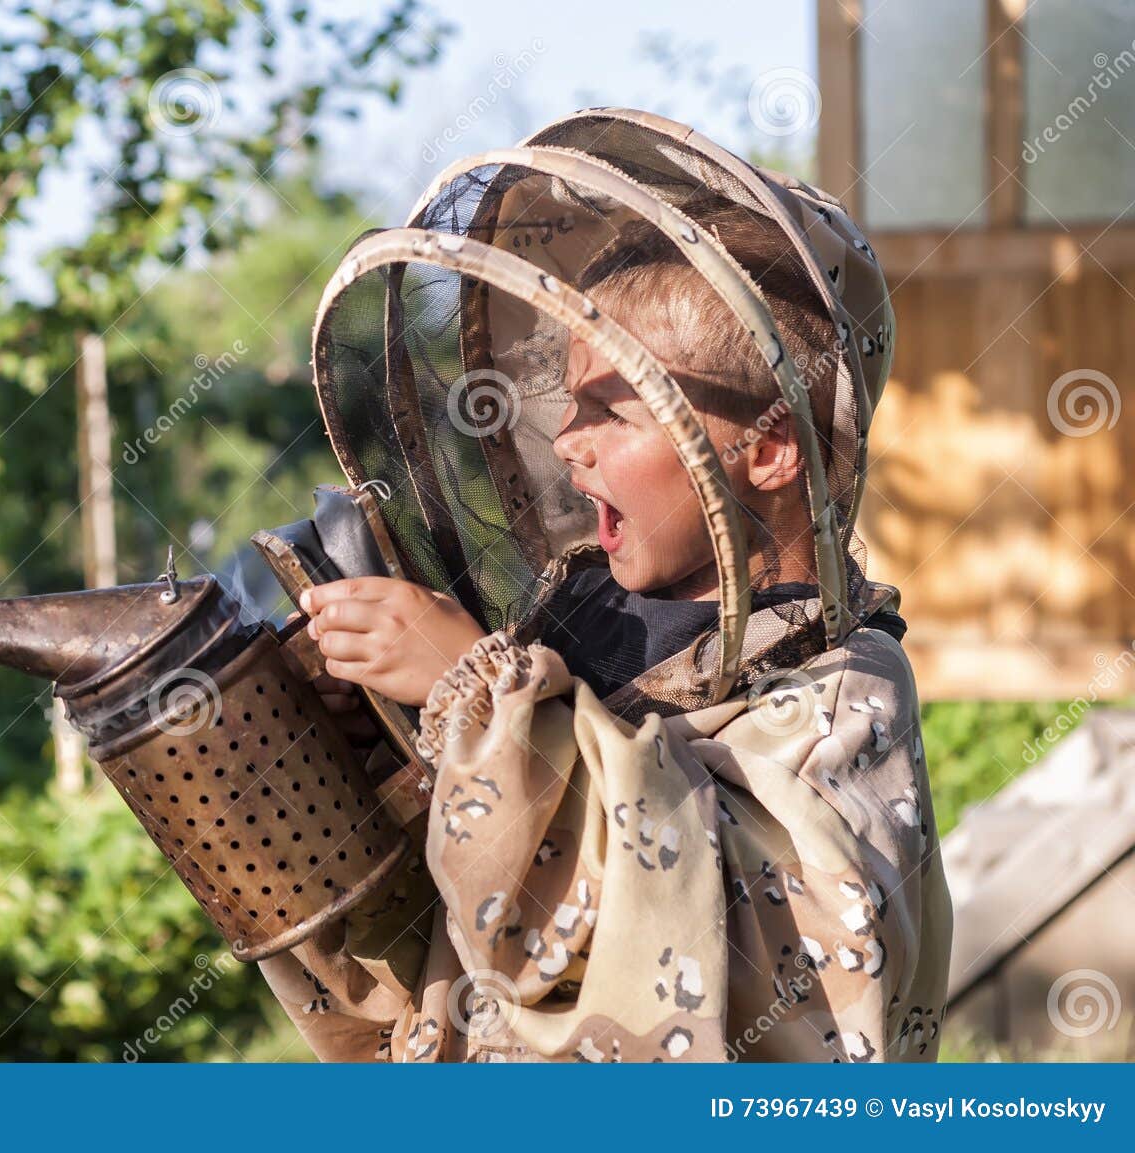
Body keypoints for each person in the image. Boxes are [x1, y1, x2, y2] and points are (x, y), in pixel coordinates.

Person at [253, 109, 953, 1062]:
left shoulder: (841, 695)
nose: (568, 443)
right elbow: (467, 954)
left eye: (609, 410)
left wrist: (481, 691)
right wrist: (368, 751)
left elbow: (724, 955)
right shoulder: (585, 628)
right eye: (565, 405)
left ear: (771, 447)